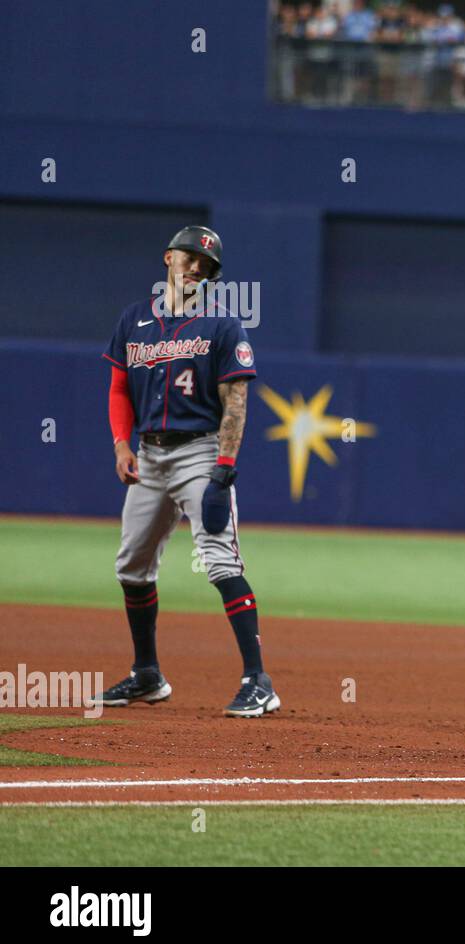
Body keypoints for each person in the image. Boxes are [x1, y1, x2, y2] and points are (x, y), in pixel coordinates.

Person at [92, 227, 281, 717]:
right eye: (190, 257)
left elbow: (235, 401)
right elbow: (118, 388)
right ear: (169, 258)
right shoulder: (134, 320)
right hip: (149, 457)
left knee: (220, 562)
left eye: (207, 265)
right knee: (131, 566)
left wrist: (223, 471)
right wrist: (120, 444)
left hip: (200, 452)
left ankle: (258, 680)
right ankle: (147, 674)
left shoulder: (222, 328)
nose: (197, 267)